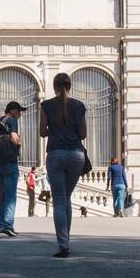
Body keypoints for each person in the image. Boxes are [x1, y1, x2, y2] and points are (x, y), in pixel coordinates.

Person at [40, 72, 87, 258]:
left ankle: (63, 244)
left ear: (54, 86)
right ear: (70, 85)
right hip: (76, 154)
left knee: (59, 200)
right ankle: (66, 240)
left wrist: (55, 128)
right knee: (66, 197)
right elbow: (83, 133)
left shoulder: (46, 106)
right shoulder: (79, 105)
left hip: (56, 153)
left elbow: (42, 132)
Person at [0, 101, 26, 237]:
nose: (20, 114)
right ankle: (8, 225)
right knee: (10, 195)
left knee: (2, 195)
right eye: (19, 111)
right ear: (13, 110)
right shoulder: (12, 120)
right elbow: (15, 138)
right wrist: (19, 142)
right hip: (9, 162)